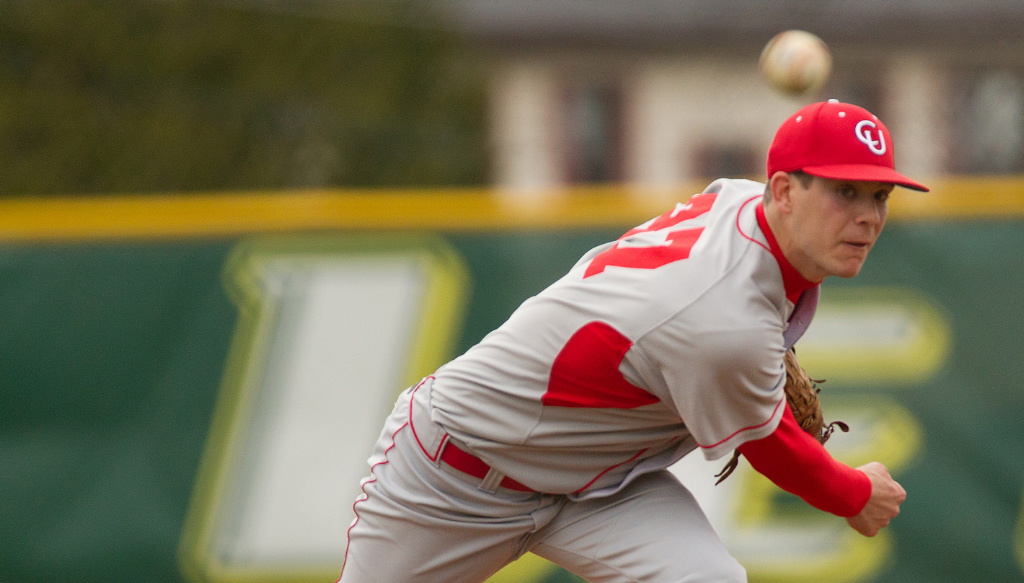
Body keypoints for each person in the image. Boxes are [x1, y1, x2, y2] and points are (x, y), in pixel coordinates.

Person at [337, 99, 924, 583]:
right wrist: (853, 492)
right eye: (844, 192)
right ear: (783, 190)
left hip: (600, 484)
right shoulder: (723, 323)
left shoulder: (739, 200)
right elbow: (770, 444)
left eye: (878, 196)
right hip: (455, 475)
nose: (868, 216)